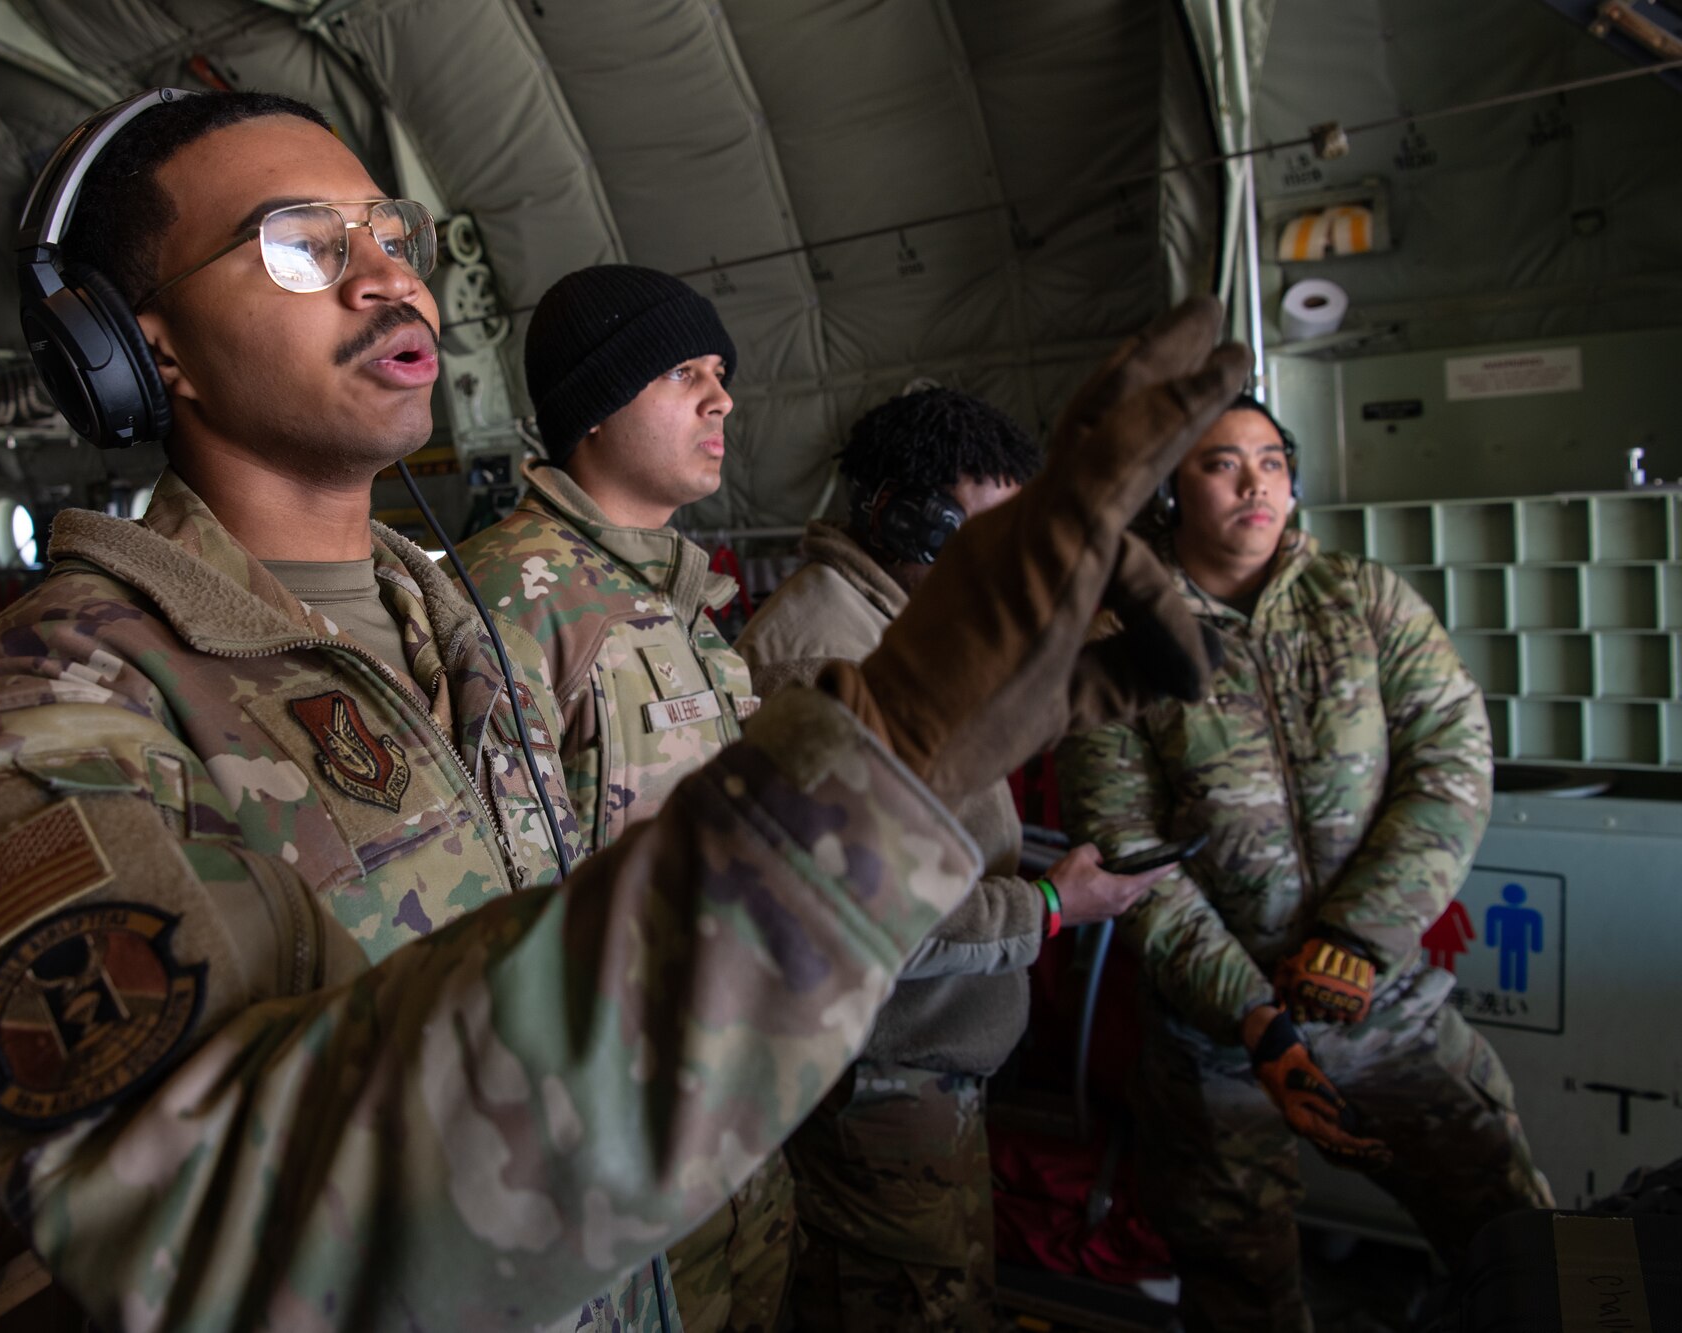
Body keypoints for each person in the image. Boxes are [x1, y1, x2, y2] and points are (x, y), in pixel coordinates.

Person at [0, 87, 1248, 1332]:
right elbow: (199, 1228)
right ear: (142, 354)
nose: (385, 273)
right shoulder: (51, 704)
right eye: (302, 245)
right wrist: (887, 747)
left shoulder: (456, 629)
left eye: (390, 229)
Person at [1057, 394, 1552, 1332]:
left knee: (1528, 1243)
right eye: (1222, 464)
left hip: (1383, 1005)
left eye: (1273, 460)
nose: (1257, 483)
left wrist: (1358, 936)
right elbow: (1127, 854)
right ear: (1170, 488)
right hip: (1219, 1045)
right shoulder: (1118, 646)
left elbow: (1452, 761)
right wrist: (1252, 1017)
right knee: (1240, 1294)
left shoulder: (1364, 601)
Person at [733, 387, 1168, 1332]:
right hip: (875, 1086)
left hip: (920, 1075)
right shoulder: (821, 658)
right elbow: (863, 916)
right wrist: (1051, 906)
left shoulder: (901, 622)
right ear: (907, 521)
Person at [455, 265, 790, 1333]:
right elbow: (503, 927)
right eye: (683, 371)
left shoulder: (675, 598)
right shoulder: (509, 601)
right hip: (622, 1154)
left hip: (733, 1119)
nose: (720, 398)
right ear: (594, 405)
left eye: (721, 373)